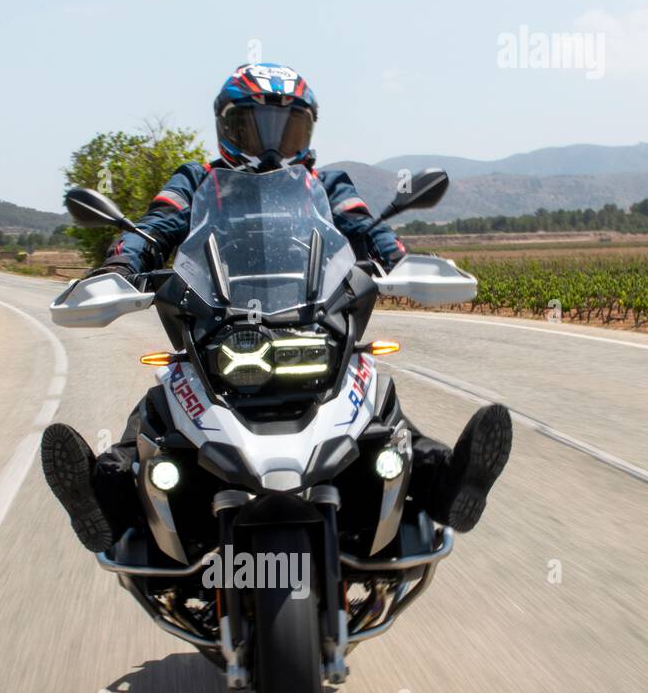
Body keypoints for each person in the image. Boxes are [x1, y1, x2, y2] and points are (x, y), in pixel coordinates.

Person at [41, 62, 511, 553]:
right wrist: (118, 267)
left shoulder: (328, 186)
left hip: (317, 319)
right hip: (217, 324)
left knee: (377, 405)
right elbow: (155, 225)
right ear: (227, 127)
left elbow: (367, 230)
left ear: (307, 131)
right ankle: (102, 500)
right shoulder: (197, 181)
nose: (270, 145)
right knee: (162, 410)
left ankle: (450, 483)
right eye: (253, 127)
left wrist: (400, 261)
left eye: (287, 129)